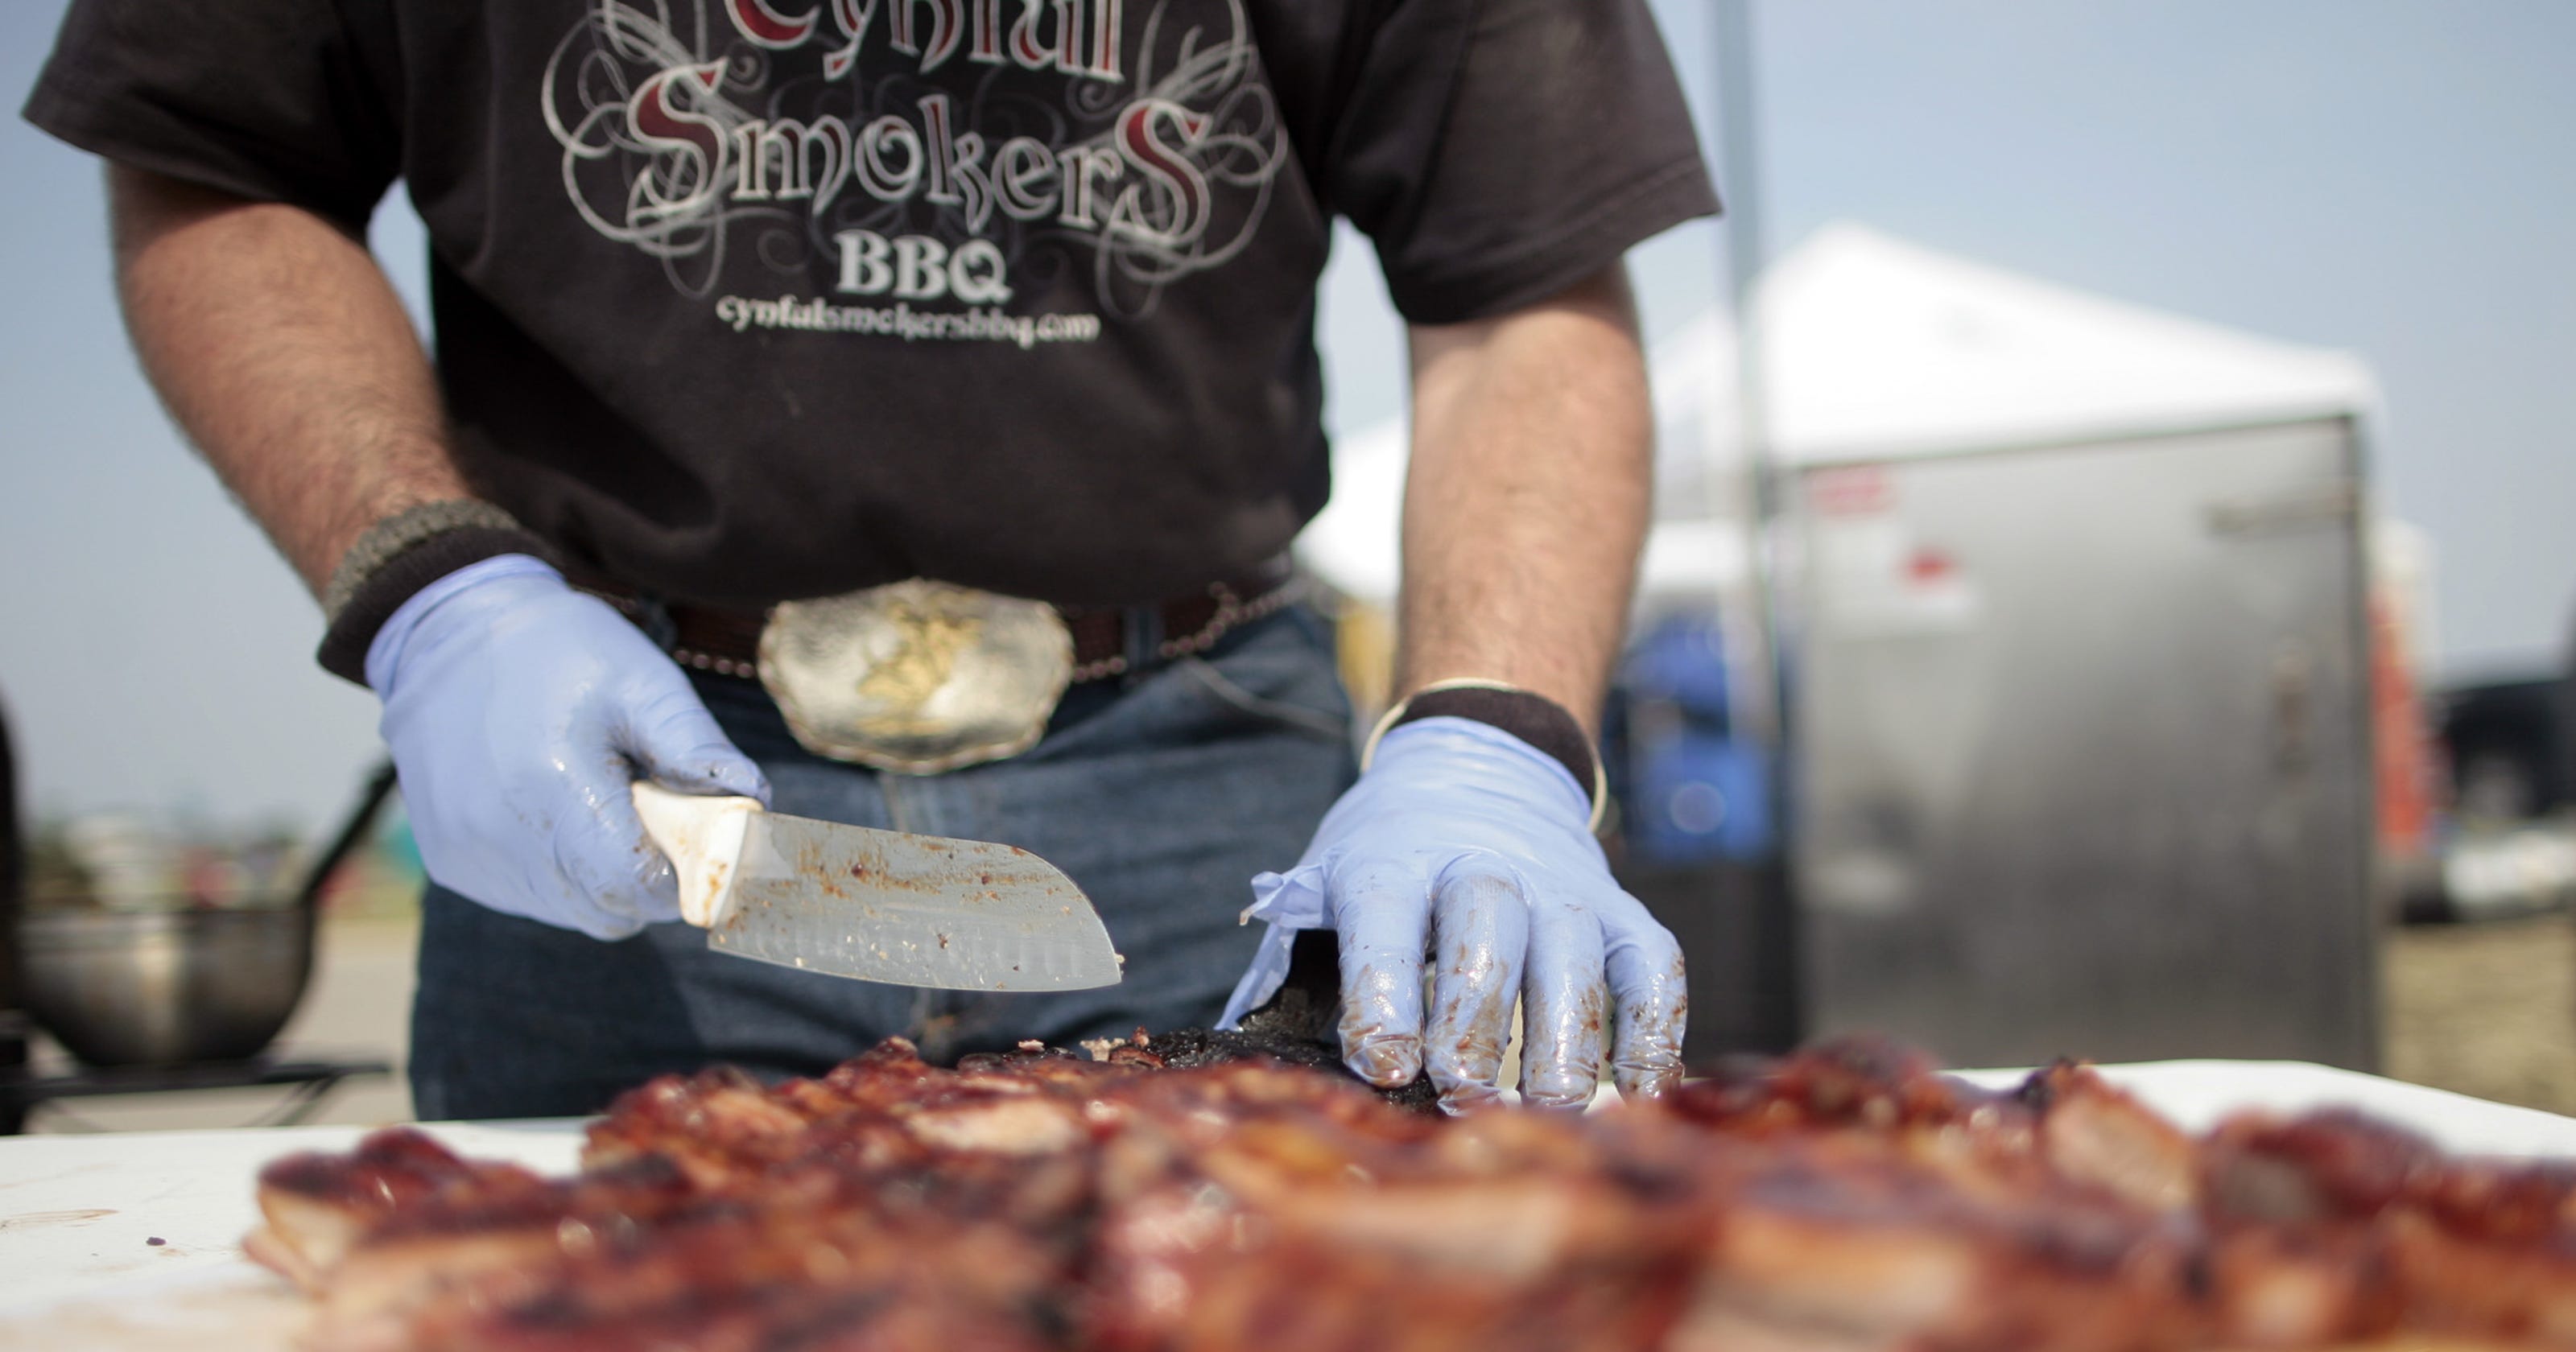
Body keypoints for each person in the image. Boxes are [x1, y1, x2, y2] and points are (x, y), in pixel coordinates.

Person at [27, 0, 1714, 1118]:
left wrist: (1492, 733)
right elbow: (215, 156)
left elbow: (1520, 278)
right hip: (637, 798)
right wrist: (432, 588)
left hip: (1210, 807)